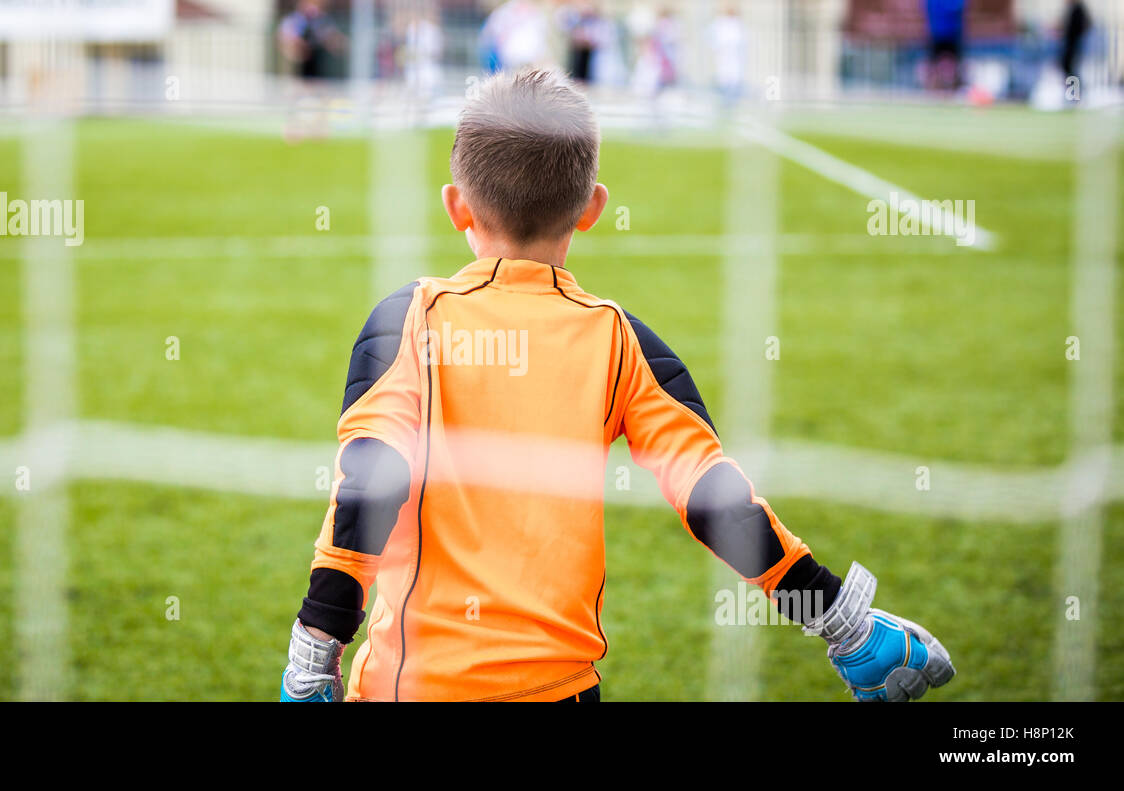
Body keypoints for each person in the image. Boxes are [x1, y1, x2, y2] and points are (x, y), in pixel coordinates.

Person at [280, 69, 956, 702]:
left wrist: (315, 651)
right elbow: (715, 498)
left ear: (456, 206)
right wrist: (845, 625)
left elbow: (370, 478)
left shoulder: (410, 320)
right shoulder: (618, 339)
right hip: (564, 690)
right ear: (593, 207)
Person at [277, 0, 345, 81]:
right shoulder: (292, 22)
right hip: (297, 73)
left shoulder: (321, 22)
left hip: (319, 73)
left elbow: (334, 42)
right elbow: (285, 43)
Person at [924, 0, 966, 91]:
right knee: (933, 64)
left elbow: (959, 7)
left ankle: (954, 89)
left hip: (953, 34)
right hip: (936, 33)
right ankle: (932, 90)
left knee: (956, 64)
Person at [1060, 0, 1091, 96]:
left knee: (1071, 69)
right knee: (1069, 69)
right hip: (1071, 45)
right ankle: (1074, 93)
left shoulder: (1078, 9)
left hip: (1074, 45)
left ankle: (1075, 93)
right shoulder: (1075, 9)